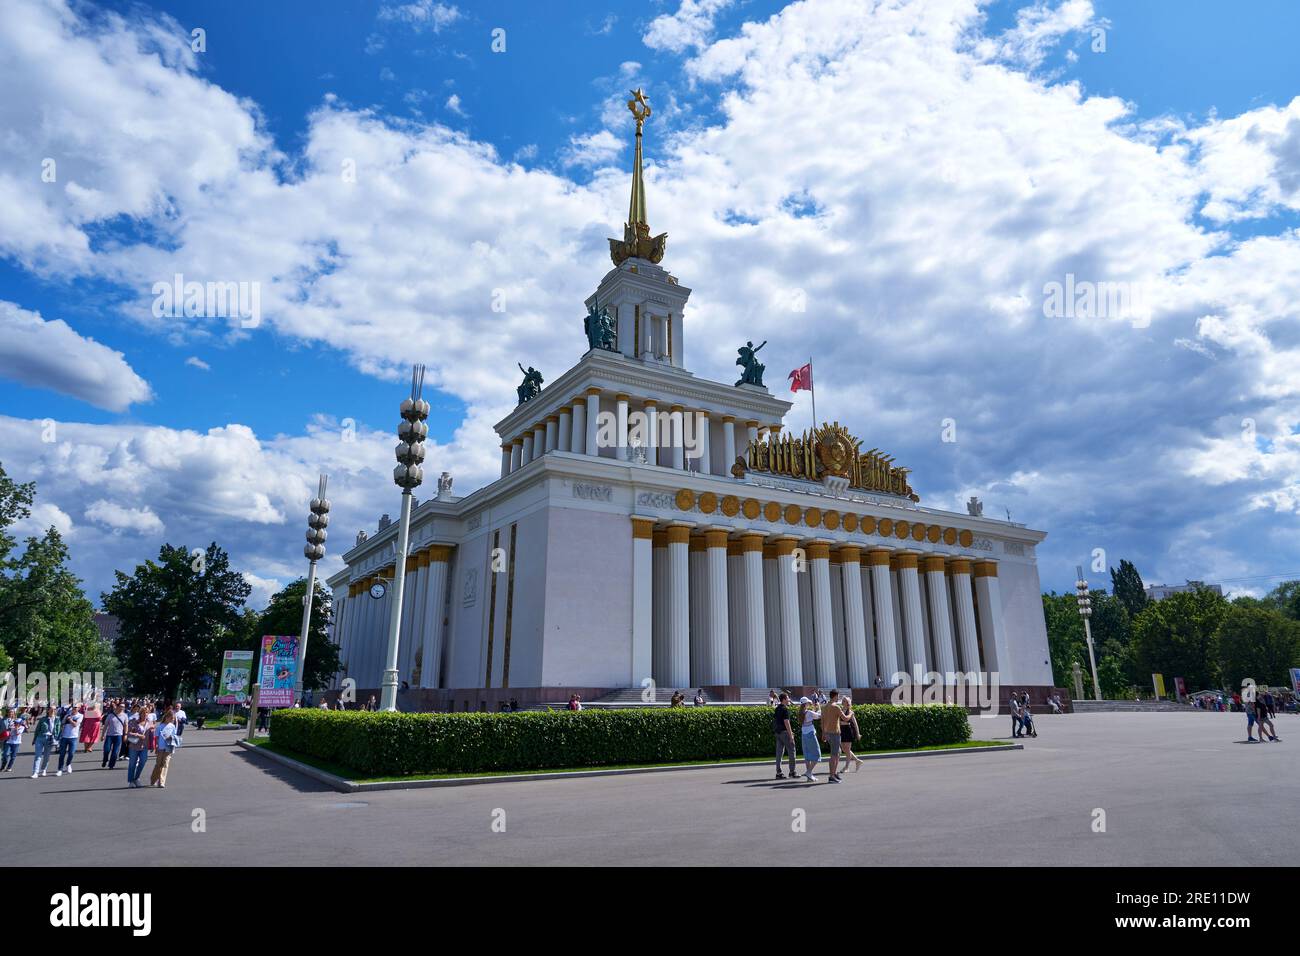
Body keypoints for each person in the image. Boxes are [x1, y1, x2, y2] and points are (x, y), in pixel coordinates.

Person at [821, 690, 848, 783]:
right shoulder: (836, 707)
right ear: (835, 696)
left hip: (828, 733)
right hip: (834, 733)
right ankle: (831, 776)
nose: (838, 698)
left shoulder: (825, 707)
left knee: (838, 752)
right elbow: (845, 718)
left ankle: (834, 773)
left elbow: (822, 721)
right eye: (838, 696)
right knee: (834, 755)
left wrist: (823, 733)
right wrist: (851, 714)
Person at [150, 710, 179, 788]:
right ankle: (153, 779)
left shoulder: (172, 726)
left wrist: (171, 738)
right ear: (166, 717)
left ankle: (161, 782)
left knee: (165, 764)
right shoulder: (160, 726)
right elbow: (156, 737)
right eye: (171, 718)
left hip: (169, 747)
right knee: (158, 764)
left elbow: (174, 736)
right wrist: (155, 746)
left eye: (173, 719)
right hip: (160, 747)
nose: (172, 720)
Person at [773, 692, 797, 779]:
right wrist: (791, 735)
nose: (789, 700)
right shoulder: (785, 709)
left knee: (779, 753)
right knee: (792, 751)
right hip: (784, 733)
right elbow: (786, 722)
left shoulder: (777, 708)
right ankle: (792, 772)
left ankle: (778, 773)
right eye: (787, 698)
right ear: (783, 699)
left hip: (778, 733)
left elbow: (775, 721)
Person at [798, 696, 821, 782]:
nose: (809, 704)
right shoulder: (809, 712)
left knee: (807, 755)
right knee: (817, 754)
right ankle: (809, 772)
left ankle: (809, 776)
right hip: (810, 733)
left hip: (804, 734)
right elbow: (819, 716)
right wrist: (818, 708)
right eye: (808, 703)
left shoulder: (800, 713)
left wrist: (815, 709)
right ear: (806, 704)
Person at [55, 703, 82, 775]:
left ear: (79, 708)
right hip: (64, 737)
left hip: (73, 737)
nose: (74, 708)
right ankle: (59, 769)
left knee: (71, 753)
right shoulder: (67, 715)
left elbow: (75, 725)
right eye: (73, 707)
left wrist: (70, 719)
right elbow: (62, 724)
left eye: (76, 707)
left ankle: (68, 764)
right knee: (62, 754)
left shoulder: (80, 716)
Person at [125, 707, 149, 788]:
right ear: (140, 714)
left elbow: (152, 736)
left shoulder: (149, 723)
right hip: (134, 746)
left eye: (146, 713)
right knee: (132, 764)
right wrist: (138, 735)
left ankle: (136, 778)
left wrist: (153, 745)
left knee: (143, 761)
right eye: (143, 713)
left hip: (144, 746)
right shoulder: (134, 722)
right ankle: (131, 781)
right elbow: (129, 733)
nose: (145, 715)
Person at [838, 696, 863, 772]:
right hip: (841, 731)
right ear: (843, 703)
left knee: (847, 749)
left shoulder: (850, 712)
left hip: (848, 731)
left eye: (848, 701)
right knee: (844, 749)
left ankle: (846, 767)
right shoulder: (840, 710)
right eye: (845, 701)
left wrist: (858, 734)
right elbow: (837, 721)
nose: (847, 703)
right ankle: (857, 761)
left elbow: (855, 724)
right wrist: (840, 723)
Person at [30, 705, 55, 778]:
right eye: (51, 709)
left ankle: (44, 769)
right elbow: (37, 729)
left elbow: (58, 730)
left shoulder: (56, 719)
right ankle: (35, 772)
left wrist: (57, 739)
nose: (53, 710)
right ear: (48, 710)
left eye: (54, 709)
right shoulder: (42, 719)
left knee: (46, 756)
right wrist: (34, 739)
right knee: (38, 756)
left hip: (50, 739)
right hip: (40, 738)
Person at [101, 702, 126, 769]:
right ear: (117, 707)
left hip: (119, 735)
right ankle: (105, 760)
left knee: (115, 751)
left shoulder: (124, 715)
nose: (122, 708)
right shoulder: (110, 715)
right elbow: (106, 726)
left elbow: (126, 725)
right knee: (106, 750)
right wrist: (103, 735)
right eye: (121, 706)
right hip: (109, 735)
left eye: (123, 707)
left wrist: (125, 734)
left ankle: (111, 765)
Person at [1, 708, 24, 772]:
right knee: (5, 754)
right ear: (7, 713)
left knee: (13, 756)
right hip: (5, 739)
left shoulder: (17, 720)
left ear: (14, 713)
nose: (11, 713)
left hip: (14, 740)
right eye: (10, 712)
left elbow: (21, 728)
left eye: (12, 712)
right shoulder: (2, 720)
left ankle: (9, 767)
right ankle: (3, 765)